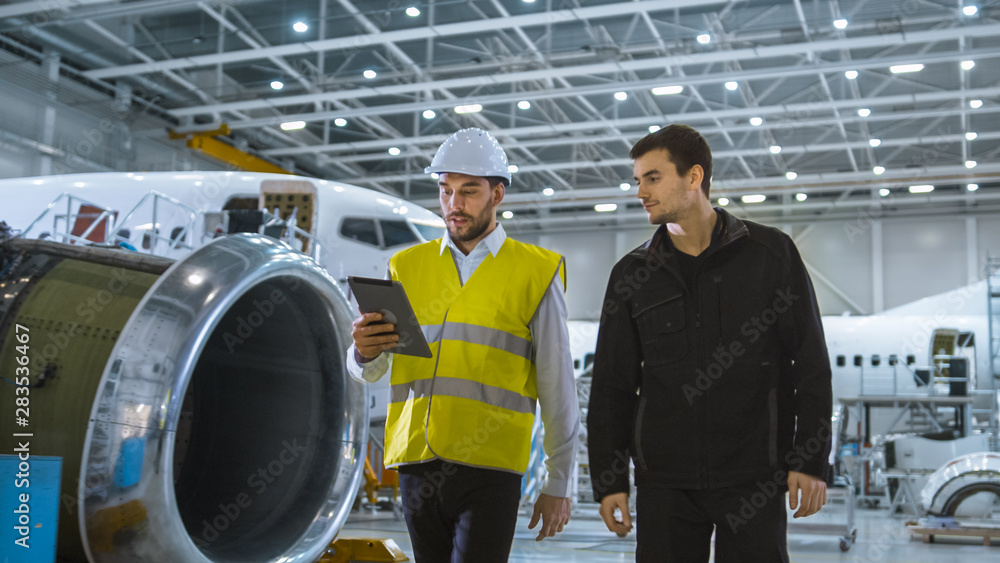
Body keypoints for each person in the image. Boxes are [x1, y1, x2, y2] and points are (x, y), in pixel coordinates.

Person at [587, 124, 832, 562]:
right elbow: (611, 386)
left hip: (754, 477)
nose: (641, 191)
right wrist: (610, 481)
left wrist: (810, 461)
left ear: (694, 177)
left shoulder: (770, 255)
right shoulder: (631, 276)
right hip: (665, 483)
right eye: (638, 180)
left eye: (653, 178)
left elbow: (810, 364)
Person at [347, 127, 579, 563]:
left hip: (491, 466)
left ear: (498, 195)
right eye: (446, 190)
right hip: (416, 462)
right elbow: (371, 370)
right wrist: (363, 351)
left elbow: (557, 385)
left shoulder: (536, 272)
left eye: (469, 191)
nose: (454, 204)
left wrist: (558, 482)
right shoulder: (405, 266)